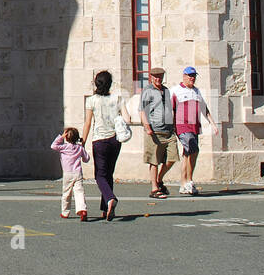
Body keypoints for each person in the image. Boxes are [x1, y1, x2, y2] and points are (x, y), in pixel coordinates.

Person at [82, 70, 132, 221]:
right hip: (115, 140)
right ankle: (106, 209)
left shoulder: (91, 100)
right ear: (110, 83)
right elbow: (127, 118)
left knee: (99, 175)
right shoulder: (118, 99)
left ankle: (110, 199)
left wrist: (82, 142)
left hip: (99, 140)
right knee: (109, 173)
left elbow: (88, 123)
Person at [171, 66, 220, 195]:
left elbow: (205, 109)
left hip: (194, 127)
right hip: (182, 126)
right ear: (184, 76)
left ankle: (184, 183)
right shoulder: (176, 90)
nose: (192, 78)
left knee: (189, 153)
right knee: (192, 149)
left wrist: (213, 124)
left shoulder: (197, 91)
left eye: (194, 76)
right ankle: (188, 181)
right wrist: (170, 126)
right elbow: (170, 109)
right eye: (190, 75)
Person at [140, 67, 178, 198]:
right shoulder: (147, 91)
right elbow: (142, 111)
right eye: (156, 77)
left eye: (160, 76)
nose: (158, 79)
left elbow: (169, 109)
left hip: (168, 131)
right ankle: (154, 188)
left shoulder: (166, 91)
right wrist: (147, 127)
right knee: (154, 161)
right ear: (151, 77)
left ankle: (159, 179)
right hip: (154, 131)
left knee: (172, 158)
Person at [50, 127, 90, 221]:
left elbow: (53, 146)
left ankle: (65, 212)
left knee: (66, 193)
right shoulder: (79, 148)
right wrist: (82, 147)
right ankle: (82, 209)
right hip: (78, 173)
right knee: (79, 192)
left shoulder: (63, 147)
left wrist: (61, 136)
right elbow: (86, 159)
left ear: (66, 138)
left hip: (67, 173)